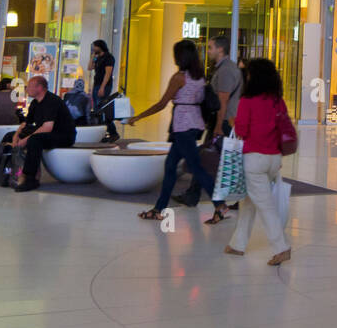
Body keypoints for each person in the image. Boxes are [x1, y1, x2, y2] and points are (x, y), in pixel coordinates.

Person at [213, 58, 292, 265]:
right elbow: (281, 129)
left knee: (265, 206)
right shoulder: (277, 100)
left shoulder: (248, 101)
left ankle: (281, 247)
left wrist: (233, 121)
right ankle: (238, 244)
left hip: (254, 160)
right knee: (248, 202)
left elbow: (241, 131)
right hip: (274, 159)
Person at [129, 39, 217, 220]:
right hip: (194, 124)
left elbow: (162, 104)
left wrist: (138, 116)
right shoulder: (199, 76)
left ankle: (220, 204)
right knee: (170, 166)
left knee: (196, 167)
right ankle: (158, 209)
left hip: (182, 126)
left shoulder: (179, 77)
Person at [0, 75, 74, 191]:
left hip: (62, 135)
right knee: (9, 135)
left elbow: (47, 127)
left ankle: (30, 178)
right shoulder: (35, 103)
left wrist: (24, 140)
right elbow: (25, 124)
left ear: (39, 88)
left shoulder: (52, 101)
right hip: (46, 131)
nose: (26, 89)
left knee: (34, 140)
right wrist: (16, 136)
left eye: (29, 86)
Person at [206, 34, 243, 144]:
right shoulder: (224, 67)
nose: (208, 51)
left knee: (213, 156)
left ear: (220, 49)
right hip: (225, 121)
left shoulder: (226, 70)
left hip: (224, 122)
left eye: (210, 48)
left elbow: (223, 100)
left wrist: (218, 126)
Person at [90, 40, 119, 142]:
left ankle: (112, 132)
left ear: (100, 46)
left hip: (103, 86)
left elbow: (108, 74)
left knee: (101, 110)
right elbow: (90, 67)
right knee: (97, 110)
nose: (93, 49)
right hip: (96, 85)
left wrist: (102, 87)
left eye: (95, 47)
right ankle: (105, 133)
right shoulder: (98, 58)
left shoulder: (108, 58)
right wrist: (92, 57)